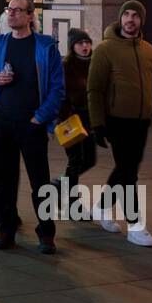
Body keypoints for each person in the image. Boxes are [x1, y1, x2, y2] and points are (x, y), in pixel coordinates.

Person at [0, 0, 65, 254]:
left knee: (41, 181)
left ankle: (46, 232)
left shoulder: (45, 47)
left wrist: (40, 117)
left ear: (30, 16)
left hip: (32, 124)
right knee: (4, 180)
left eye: (18, 10)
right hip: (2, 122)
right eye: (9, 10)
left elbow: (58, 89)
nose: (11, 14)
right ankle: (6, 229)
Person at [86, 0, 152, 246]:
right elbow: (94, 89)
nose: (130, 20)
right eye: (127, 15)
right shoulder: (105, 49)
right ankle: (135, 225)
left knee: (126, 168)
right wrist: (98, 124)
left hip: (141, 122)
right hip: (116, 120)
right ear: (120, 19)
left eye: (136, 16)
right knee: (129, 172)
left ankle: (101, 208)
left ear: (142, 21)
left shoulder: (149, 50)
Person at [59, 28, 97, 193]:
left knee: (89, 159)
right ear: (72, 46)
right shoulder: (66, 67)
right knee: (76, 160)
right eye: (80, 43)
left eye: (87, 42)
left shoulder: (95, 64)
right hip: (71, 118)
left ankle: (61, 185)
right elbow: (60, 94)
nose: (85, 46)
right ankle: (72, 203)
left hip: (89, 118)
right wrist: (62, 117)